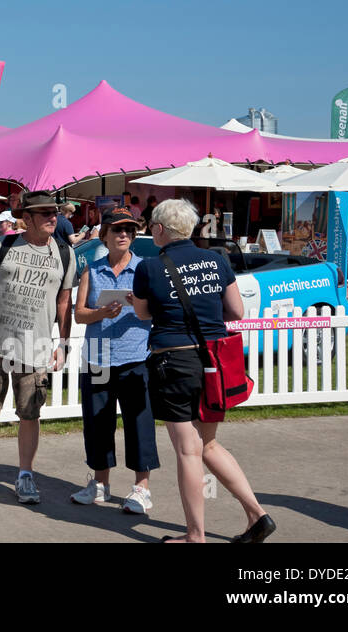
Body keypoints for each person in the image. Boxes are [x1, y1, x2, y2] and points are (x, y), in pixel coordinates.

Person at [128, 198, 275, 543]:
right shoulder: (216, 260)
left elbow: (143, 314)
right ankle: (257, 513)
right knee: (207, 445)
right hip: (213, 361)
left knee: (187, 451)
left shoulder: (149, 267)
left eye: (151, 226)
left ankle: (195, 536)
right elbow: (236, 311)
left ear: (160, 229)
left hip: (173, 362)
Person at [0, 191, 75, 504]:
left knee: (30, 413)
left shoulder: (65, 253)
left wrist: (62, 344)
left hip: (36, 347)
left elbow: (65, 302)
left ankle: (25, 476)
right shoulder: (5, 244)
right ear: (28, 218)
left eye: (54, 212)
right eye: (45, 213)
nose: (54, 217)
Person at [71, 209, 158, 514]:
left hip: (136, 358)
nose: (123, 235)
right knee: (97, 424)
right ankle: (100, 485)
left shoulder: (146, 270)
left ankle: (141, 489)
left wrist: (140, 305)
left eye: (128, 230)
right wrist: (100, 313)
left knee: (139, 423)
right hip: (98, 359)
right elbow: (79, 314)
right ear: (105, 235)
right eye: (117, 230)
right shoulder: (91, 271)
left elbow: (156, 313)